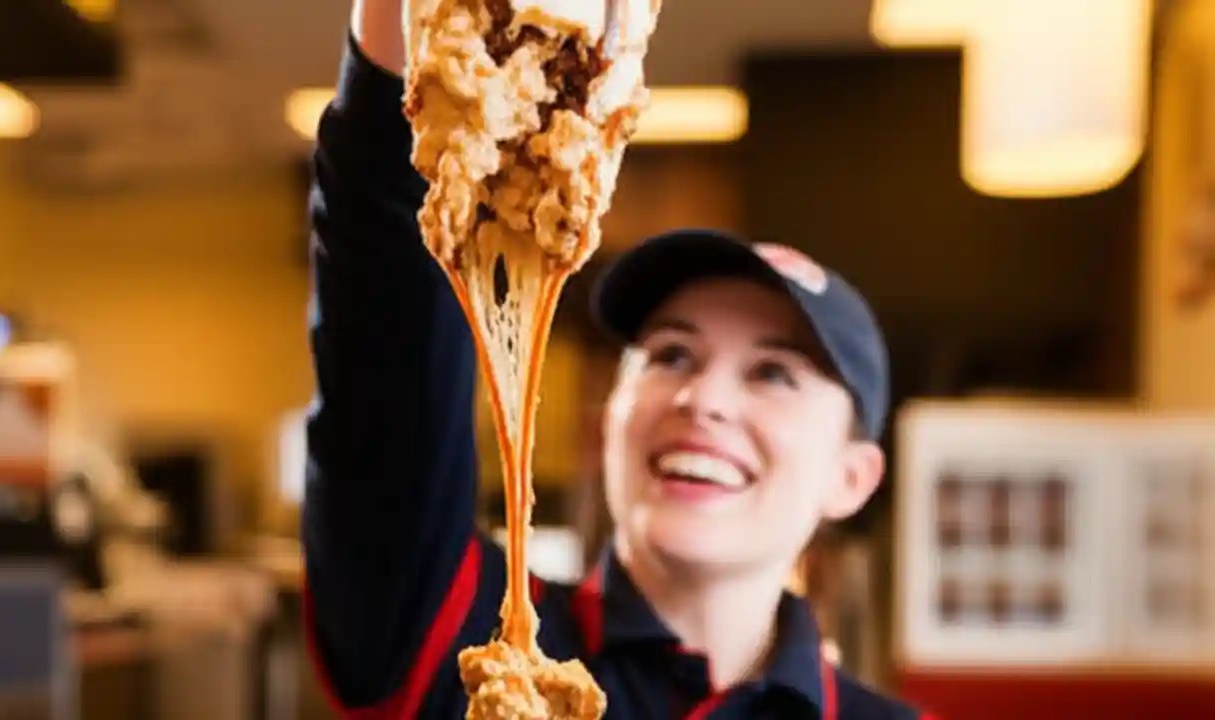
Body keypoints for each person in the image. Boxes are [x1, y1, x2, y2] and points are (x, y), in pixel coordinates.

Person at [302, 1, 934, 718]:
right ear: (609, 420)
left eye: (773, 373)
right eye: (672, 354)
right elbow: (384, 309)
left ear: (852, 478)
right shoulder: (465, 632)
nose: (704, 399)